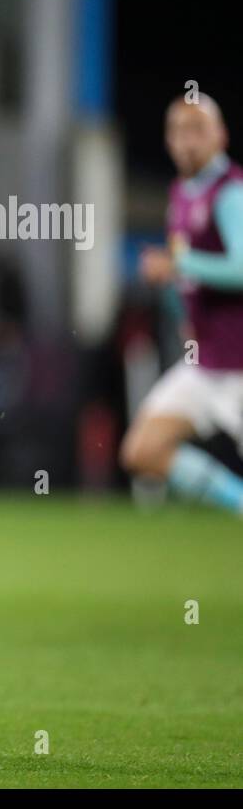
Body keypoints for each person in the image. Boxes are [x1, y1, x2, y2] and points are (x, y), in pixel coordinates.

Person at [122, 95, 243, 515]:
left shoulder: (230, 192)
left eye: (198, 130)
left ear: (221, 136)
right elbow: (190, 279)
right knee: (142, 450)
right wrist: (184, 315)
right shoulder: (182, 192)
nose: (187, 141)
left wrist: (177, 263)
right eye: (178, 131)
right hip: (207, 364)